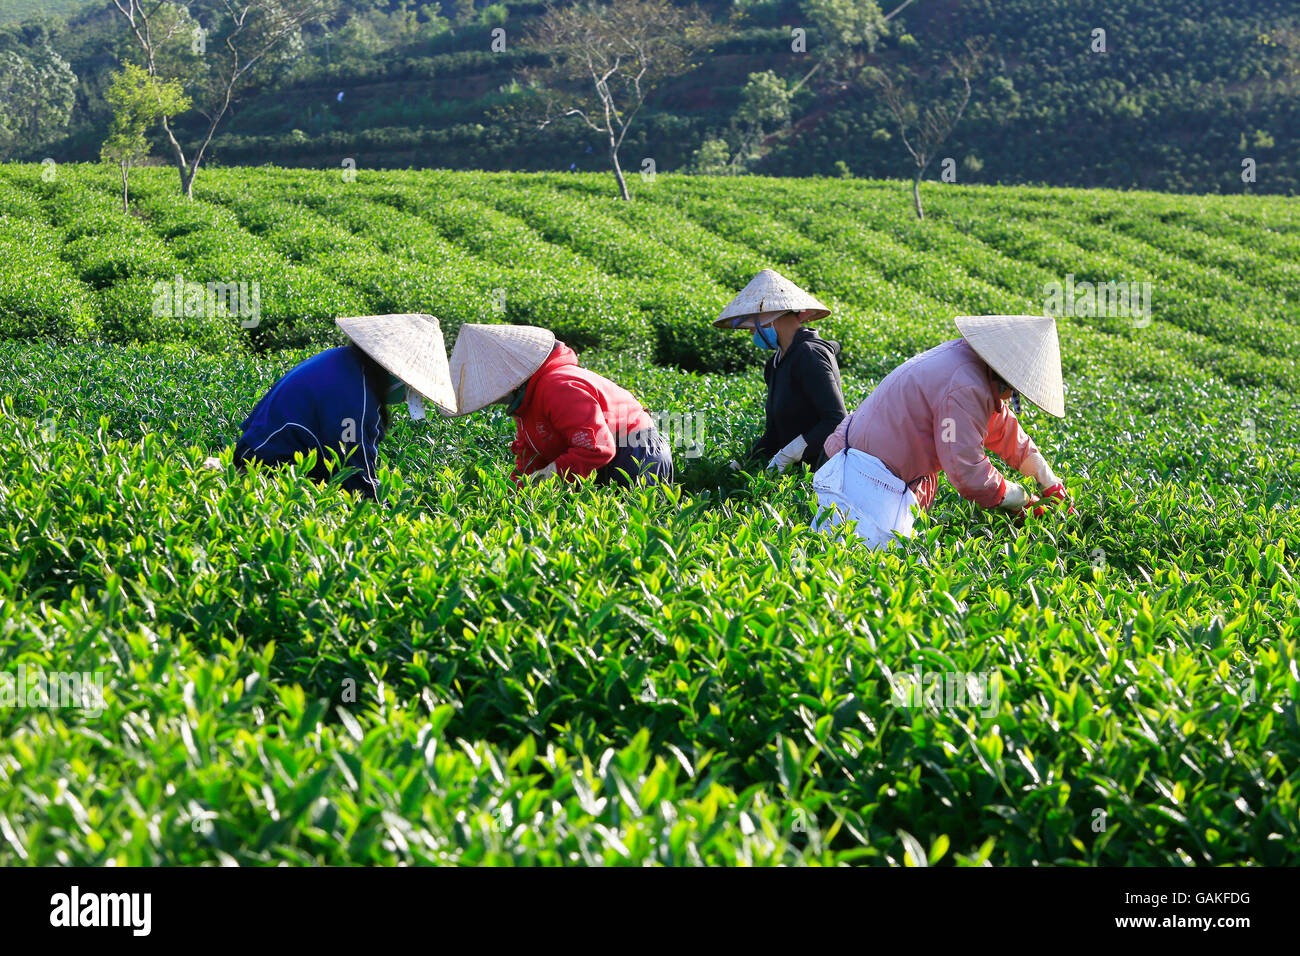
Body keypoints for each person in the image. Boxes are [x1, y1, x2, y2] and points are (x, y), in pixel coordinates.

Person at [816, 313, 1072, 548]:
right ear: (1007, 379)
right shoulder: (966, 386)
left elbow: (1002, 427)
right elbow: (967, 472)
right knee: (855, 555)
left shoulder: (970, 362)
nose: (1010, 400)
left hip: (868, 465)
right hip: (863, 478)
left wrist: (1046, 479)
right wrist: (1019, 498)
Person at [231, 313, 456, 500]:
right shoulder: (355, 397)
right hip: (267, 468)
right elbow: (354, 471)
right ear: (391, 370)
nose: (409, 396)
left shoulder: (343, 361)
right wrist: (386, 516)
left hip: (258, 451)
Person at [446, 323, 673, 486]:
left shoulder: (558, 386)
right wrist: (517, 491)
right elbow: (531, 456)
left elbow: (596, 448)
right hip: (605, 459)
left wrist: (547, 478)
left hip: (634, 453)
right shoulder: (525, 404)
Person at [714, 269, 846, 473]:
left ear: (771, 316)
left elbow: (835, 420)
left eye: (753, 321)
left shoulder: (809, 355)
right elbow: (775, 433)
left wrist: (793, 451)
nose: (750, 330)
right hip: (791, 472)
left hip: (818, 473)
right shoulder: (775, 363)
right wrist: (745, 462)